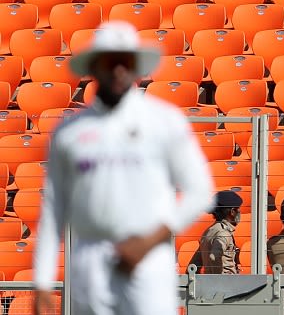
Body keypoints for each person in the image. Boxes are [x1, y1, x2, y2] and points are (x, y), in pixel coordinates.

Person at [34, 21, 216, 315]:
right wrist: (42, 281)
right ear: (94, 67)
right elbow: (54, 206)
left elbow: (200, 192)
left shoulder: (164, 121)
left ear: (135, 66)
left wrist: (148, 241)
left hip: (150, 259)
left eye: (126, 61)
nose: (118, 70)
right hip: (89, 259)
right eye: (110, 62)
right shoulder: (69, 132)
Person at [197, 190, 242, 274]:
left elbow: (195, 263)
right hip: (225, 284)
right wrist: (217, 280)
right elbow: (214, 257)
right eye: (238, 210)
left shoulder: (208, 231)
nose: (239, 213)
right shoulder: (224, 233)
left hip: (208, 283)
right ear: (232, 212)